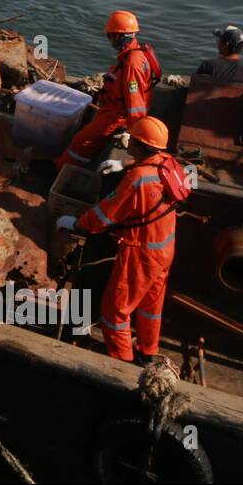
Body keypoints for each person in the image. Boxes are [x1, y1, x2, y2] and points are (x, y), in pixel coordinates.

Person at [57, 117, 187, 364]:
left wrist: (74, 223)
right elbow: (152, 167)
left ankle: (122, 365)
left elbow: (105, 215)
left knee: (114, 312)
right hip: (165, 249)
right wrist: (125, 164)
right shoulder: (170, 163)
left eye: (132, 141)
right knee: (150, 308)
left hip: (141, 253)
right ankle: (148, 352)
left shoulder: (137, 179)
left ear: (138, 144)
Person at [56, 10, 162, 168]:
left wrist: (133, 133)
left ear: (121, 36)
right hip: (110, 110)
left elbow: (136, 104)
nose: (110, 40)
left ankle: (63, 169)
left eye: (111, 36)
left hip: (117, 117)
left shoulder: (132, 63)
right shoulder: (133, 55)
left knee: (81, 141)